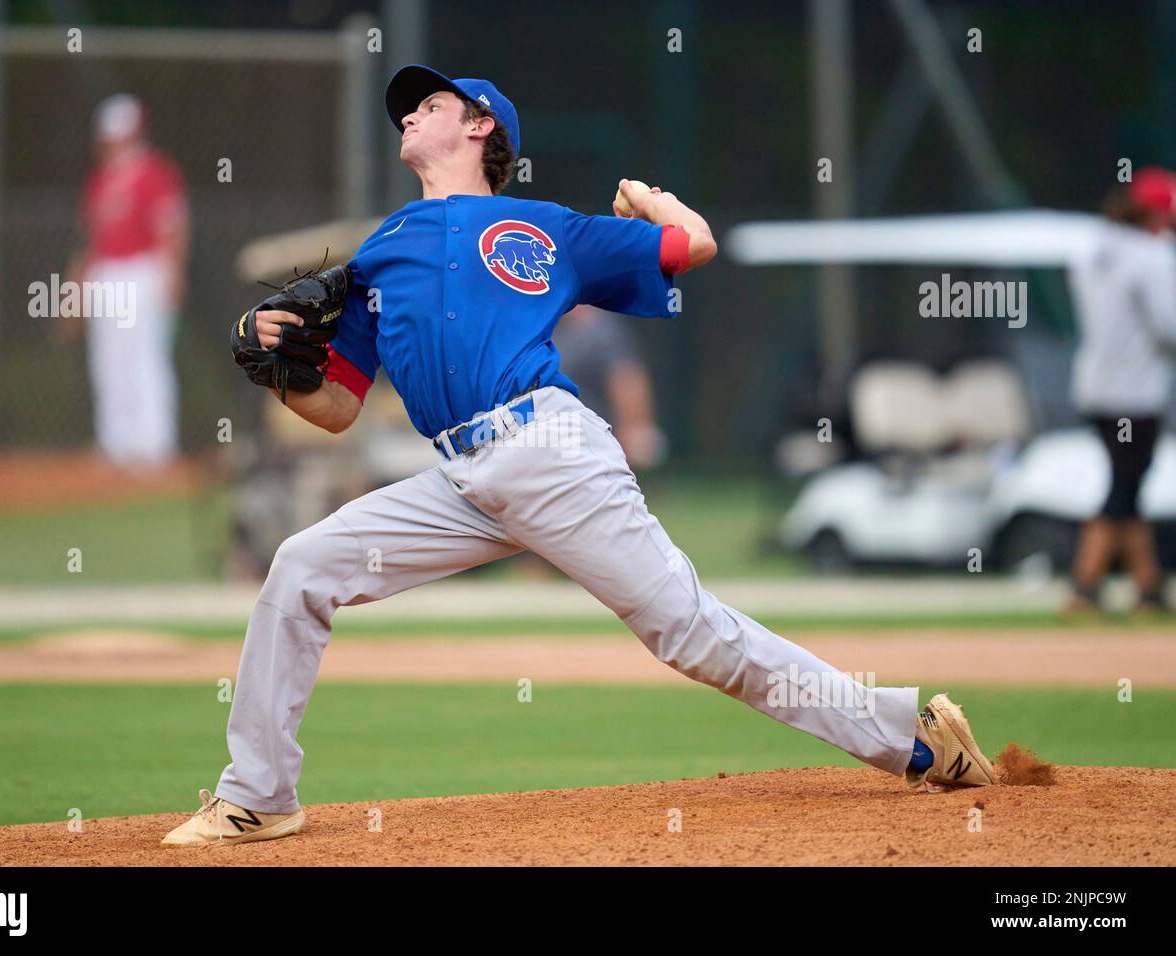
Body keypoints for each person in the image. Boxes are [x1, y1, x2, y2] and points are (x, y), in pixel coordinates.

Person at [162, 66, 995, 847]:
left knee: (691, 636)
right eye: (405, 109)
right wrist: (270, 366)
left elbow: (693, 245)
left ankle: (913, 740)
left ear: (480, 125)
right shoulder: (382, 250)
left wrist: (650, 198)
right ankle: (259, 797)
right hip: (459, 478)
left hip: (549, 449)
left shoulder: (546, 227)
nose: (409, 113)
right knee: (301, 565)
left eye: (430, 103)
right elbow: (337, 407)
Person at [1066, 168, 1176, 615]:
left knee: (1129, 485)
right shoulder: (1151, 257)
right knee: (1125, 486)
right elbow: (1169, 326)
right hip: (1136, 392)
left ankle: (1149, 590)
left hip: (1094, 386)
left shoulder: (1092, 249)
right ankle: (1083, 586)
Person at [65, 94, 189, 467]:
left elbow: (172, 227)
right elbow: (92, 241)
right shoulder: (100, 180)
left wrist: (173, 271)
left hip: (143, 269)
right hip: (107, 272)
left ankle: (154, 444)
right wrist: (78, 284)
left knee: (145, 356)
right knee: (108, 359)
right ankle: (115, 442)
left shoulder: (155, 173)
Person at [553, 304, 666, 469]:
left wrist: (633, 428)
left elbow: (627, 378)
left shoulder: (601, 329)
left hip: (591, 443)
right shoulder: (538, 326)